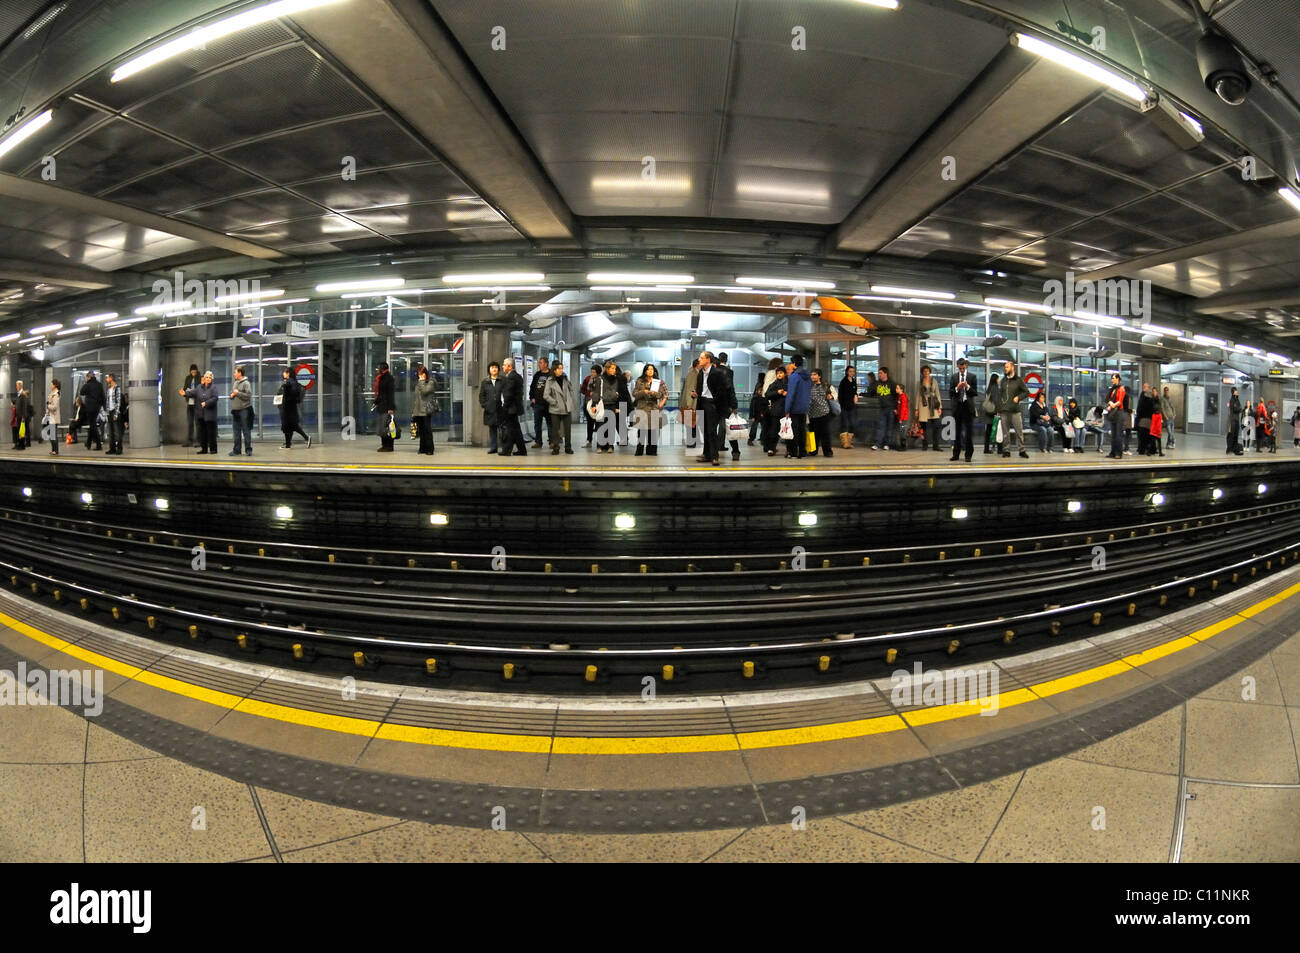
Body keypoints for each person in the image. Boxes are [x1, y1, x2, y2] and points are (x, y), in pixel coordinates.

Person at [692, 350, 727, 465]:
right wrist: (695, 394)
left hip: (713, 404)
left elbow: (723, 391)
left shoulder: (717, 373)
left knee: (711, 431)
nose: (699, 359)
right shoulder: (700, 374)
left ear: (708, 359)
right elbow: (700, 390)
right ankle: (706, 455)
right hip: (702, 403)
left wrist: (718, 404)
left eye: (701, 358)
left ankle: (714, 456)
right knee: (705, 431)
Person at [178, 370, 218, 454]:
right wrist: (185, 393)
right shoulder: (199, 387)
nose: (208, 379)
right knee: (202, 433)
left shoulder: (213, 388)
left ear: (212, 379)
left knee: (211, 433)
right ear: (204, 378)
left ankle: (213, 449)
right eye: (207, 377)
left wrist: (206, 403)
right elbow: (192, 393)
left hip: (210, 414)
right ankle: (204, 449)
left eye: (210, 378)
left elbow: (215, 398)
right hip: (201, 414)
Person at [631, 363, 668, 456]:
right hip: (642, 407)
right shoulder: (639, 381)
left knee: (653, 430)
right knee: (641, 430)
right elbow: (634, 393)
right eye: (648, 369)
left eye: (652, 369)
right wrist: (643, 392)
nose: (650, 371)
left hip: (653, 407)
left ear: (654, 371)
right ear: (645, 371)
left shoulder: (658, 382)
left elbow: (661, 395)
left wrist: (653, 393)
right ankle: (639, 450)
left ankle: (652, 450)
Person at [996, 361, 1030, 459]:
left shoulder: (1018, 380)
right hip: (1004, 410)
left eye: (1007, 367)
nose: (1005, 369)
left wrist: (1018, 397)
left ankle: (1022, 450)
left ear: (1012, 368)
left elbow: (1026, 392)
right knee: (1005, 432)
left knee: (1019, 431)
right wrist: (998, 409)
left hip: (1015, 411)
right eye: (1005, 367)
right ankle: (1006, 450)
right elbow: (1000, 395)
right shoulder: (1003, 380)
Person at [543, 361, 576, 455]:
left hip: (566, 408)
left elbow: (571, 390)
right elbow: (546, 395)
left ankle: (568, 447)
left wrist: (570, 400)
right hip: (555, 409)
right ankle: (556, 448)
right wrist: (554, 402)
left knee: (568, 429)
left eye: (562, 368)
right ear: (554, 370)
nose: (561, 370)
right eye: (559, 368)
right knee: (555, 430)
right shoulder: (550, 381)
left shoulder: (565, 379)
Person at [948, 358, 977, 462]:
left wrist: (967, 386)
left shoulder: (972, 377)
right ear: (957, 366)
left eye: (963, 368)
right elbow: (950, 393)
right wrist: (957, 387)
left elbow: (975, 393)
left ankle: (968, 455)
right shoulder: (954, 377)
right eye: (960, 368)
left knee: (969, 432)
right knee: (957, 432)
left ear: (966, 366)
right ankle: (956, 454)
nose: (962, 370)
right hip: (958, 407)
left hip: (968, 407)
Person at [714, 352, 741, 461]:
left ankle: (716, 452)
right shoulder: (728, 371)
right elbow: (731, 389)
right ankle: (735, 451)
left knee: (715, 429)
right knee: (727, 428)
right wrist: (734, 405)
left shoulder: (715, 371)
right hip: (724, 404)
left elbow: (729, 389)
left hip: (715, 404)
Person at [784, 355, 812, 459]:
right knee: (802, 430)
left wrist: (787, 409)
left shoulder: (794, 376)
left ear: (794, 363)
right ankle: (803, 451)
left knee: (794, 430)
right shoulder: (807, 376)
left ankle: (794, 452)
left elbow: (791, 394)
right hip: (804, 407)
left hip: (795, 407)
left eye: (791, 363)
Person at [499, 357, 528, 456]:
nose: (502, 366)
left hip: (511, 408)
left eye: (504, 365)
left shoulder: (511, 377)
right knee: (516, 429)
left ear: (510, 366)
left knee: (510, 429)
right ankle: (522, 449)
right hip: (515, 407)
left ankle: (507, 450)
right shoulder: (517, 376)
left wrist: (504, 408)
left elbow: (508, 394)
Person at [276, 368, 311, 449]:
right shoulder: (292, 382)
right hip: (290, 407)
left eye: (284, 372)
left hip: (287, 408)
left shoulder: (289, 383)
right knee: (291, 425)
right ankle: (288, 444)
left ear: (288, 373)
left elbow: (290, 395)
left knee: (288, 425)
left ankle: (305, 438)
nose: (283, 373)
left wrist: (284, 393)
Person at [411, 364, 439, 455]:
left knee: (427, 430)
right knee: (421, 430)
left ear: (425, 373)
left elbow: (425, 391)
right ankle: (422, 448)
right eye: (418, 374)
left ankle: (430, 449)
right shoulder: (418, 383)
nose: (420, 376)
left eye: (421, 373)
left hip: (426, 409)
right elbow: (416, 398)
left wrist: (422, 382)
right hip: (418, 410)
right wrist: (413, 411)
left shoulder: (430, 382)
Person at [869, 367, 898, 451]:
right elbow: (871, 393)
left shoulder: (892, 384)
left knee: (890, 427)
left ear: (886, 374)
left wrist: (895, 407)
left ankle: (887, 444)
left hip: (891, 408)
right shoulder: (877, 384)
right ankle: (877, 444)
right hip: (882, 408)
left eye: (881, 373)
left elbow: (897, 396)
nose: (879, 375)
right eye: (879, 373)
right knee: (880, 426)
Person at [915, 365, 943, 451]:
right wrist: (916, 409)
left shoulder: (934, 381)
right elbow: (918, 395)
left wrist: (939, 407)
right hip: (923, 405)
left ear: (930, 372)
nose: (926, 372)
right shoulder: (920, 382)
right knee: (923, 427)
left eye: (927, 371)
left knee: (936, 426)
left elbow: (937, 394)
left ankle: (936, 445)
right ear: (922, 373)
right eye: (924, 371)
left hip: (933, 404)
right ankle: (925, 445)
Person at [807, 368, 834, 458]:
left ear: (819, 376)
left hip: (823, 413)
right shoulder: (809, 386)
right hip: (812, 414)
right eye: (811, 375)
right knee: (813, 433)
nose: (812, 376)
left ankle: (827, 452)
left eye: (814, 374)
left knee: (825, 434)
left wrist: (831, 397)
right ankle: (813, 451)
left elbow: (833, 396)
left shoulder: (826, 385)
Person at [479, 361, 504, 453]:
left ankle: (505, 447)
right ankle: (493, 447)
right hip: (490, 409)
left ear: (498, 369)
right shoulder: (485, 382)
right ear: (489, 370)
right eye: (492, 367)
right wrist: (485, 405)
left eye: (496, 367)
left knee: (503, 429)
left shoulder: (502, 380)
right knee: (492, 429)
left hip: (501, 408)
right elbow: (482, 395)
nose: (494, 369)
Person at [763, 367, 788, 457]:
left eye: (781, 373)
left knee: (787, 431)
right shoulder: (774, 384)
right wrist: (777, 392)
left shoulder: (788, 384)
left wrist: (787, 394)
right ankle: (771, 448)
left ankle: (789, 450)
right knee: (774, 431)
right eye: (777, 373)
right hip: (776, 411)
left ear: (785, 374)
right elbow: (767, 395)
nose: (779, 375)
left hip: (786, 411)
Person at [227, 367, 252, 457]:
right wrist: (231, 395)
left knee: (246, 431)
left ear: (240, 373)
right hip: (235, 411)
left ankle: (248, 450)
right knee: (236, 432)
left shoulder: (246, 383)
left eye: (235, 372)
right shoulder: (235, 383)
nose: (234, 374)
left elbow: (248, 396)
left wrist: (238, 393)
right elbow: (232, 394)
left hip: (244, 410)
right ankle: (237, 450)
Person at [373, 361, 396, 453]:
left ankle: (389, 446)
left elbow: (390, 394)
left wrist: (391, 408)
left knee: (388, 426)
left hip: (387, 406)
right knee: (383, 427)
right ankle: (384, 445)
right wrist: (376, 402)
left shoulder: (388, 378)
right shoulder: (381, 378)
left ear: (382, 368)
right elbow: (380, 393)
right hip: (381, 405)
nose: (377, 369)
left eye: (378, 368)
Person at [529, 357, 551, 448]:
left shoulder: (551, 374)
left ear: (546, 364)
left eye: (541, 363)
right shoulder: (537, 374)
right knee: (537, 424)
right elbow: (532, 387)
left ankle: (552, 442)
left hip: (548, 404)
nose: (539, 364)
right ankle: (538, 442)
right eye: (539, 363)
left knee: (550, 423)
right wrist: (532, 397)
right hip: (537, 403)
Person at [80, 370, 105, 451]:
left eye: (86, 377)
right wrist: (103, 407)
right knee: (92, 425)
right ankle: (88, 443)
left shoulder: (88, 385)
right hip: (97, 408)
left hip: (90, 407)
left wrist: (86, 383)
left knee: (93, 426)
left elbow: (81, 392)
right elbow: (103, 396)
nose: (86, 379)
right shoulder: (99, 384)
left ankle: (98, 444)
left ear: (89, 377)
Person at [1104, 373, 1127, 459]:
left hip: (1119, 412)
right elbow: (1108, 399)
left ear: (1118, 379)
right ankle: (1113, 452)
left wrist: (1113, 405)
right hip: (1113, 412)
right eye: (1112, 378)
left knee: (1118, 434)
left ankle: (1118, 453)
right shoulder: (1112, 389)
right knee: (1113, 434)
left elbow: (1120, 401)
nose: (1112, 380)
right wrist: (1110, 404)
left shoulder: (1121, 388)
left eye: (1113, 378)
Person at [679, 358, 700, 450]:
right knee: (691, 424)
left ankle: (691, 442)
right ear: (697, 365)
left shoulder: (694, 373)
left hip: (690, 402)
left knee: (691, 424)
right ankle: (691, 442)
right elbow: (690, 390)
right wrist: (689, 404)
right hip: (691, 403)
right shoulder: (693, 374)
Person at [580, 364, 601, 448]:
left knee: (599, 423)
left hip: (598, 405)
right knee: (590, 423)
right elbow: (582, 389)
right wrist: (588, 393)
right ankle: (589, 440)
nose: (592, 373)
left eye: (594, 372)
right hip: (588, 403)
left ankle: (601, 443)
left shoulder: (601, 380)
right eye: (591, 372)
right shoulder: (587, 379)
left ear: (598, 373)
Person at [838, 365, 859, 449]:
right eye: (850, 371)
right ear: (847, 372)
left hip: (852, 406)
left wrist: (856, 395)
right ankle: (844, 442)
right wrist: (841, 404)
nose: (852, 373)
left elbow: (855, 391)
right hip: (844, 406)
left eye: (853, 371)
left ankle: (849, 441)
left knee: (852, 423)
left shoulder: (853, 381)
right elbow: (840, 394)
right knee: (844, 423)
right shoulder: (843, 381)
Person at [104, 372, 126, 455]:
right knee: (111, 431)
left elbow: (118, 401)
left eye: (107, 377)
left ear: (111, 378)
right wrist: (106, 412)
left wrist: (116, 413)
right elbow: (107, 401)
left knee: (117, 431)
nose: (107, 379)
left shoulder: (117, 388)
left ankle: (119, 448)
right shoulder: (108, 389)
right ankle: (112, 448)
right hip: (109, 412)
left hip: (115, 411)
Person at [182, 364, 201, 447]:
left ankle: (198, 440)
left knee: (197, 423)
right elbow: (185, 388)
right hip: (189, 403)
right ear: (190, 371)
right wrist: (184, 392)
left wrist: (192, 392)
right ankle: (189, 440)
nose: (193, 373)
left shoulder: (200, 377)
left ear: (197, 371)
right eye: (192, 372)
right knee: (190, 422)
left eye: (195, 372)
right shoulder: (188, 378)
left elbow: (200, 389)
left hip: (197, 403)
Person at [1134, 383, 1156, 456]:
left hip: (1143, 420)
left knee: (1142, 436)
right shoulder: (1152, 400)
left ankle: (1142, 450)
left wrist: (1138, 418)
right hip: (1149, 420)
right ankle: (1149, 449)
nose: (1145, 388)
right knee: (1148, 436)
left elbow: (1139, 409)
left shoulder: (1142, 398)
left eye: (1145, 387)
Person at [982, 372, 1000, 455]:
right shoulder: (995, 388)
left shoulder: (989, 388)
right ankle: (999, 449)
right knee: (997, 430)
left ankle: (986, 448)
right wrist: (998, 411)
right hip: (993, 412)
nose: (999, 380)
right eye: (998, 378)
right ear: (995, 379)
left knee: (988, 431)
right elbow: (996, 400)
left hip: (988, 412)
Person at [748, 377, 767, 447]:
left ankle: (762, 439)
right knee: (754, 428)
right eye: (760, 390)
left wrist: (764, 413)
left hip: (762, 415)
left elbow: (765, 406)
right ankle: (751, 439)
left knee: (763, 428)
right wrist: (752, 416)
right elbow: (752, 408)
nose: (761, 391)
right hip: (756, 415)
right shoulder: (755, 398)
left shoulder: (763, 398)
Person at [13, 380, 32, 450]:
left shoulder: (23, 394)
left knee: (22, 431)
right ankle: (20, 444)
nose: (16, 387)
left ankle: (22, 445)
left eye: (17, 385)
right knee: (19, 430)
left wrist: (23, 416)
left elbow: (24, 406)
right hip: (18, 416)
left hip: (22, 416)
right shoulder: (19, 394)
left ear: (20, 386)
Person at [44, 379, 61, 457]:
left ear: (55, 385)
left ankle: (55, 450)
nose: (51, 385)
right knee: (51, 434)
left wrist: (48, 405)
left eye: (51, 384)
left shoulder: (56, 394)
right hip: (50, 417)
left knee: (53, 434)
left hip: (54, 417)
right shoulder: (52, 393)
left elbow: (54, 407)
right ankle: (53, 450)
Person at [894, 381, 911, 450]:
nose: (896, 389)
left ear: (901, 389)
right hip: (901, 417)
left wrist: (901, 419)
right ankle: (902, 445)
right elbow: (900, 408)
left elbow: (903, 409)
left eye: (897, 388)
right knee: (901, 431)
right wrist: (897, 411)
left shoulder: (903, 397)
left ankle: (903, 446)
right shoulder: (899, 396)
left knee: (902, 431)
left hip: (903, 418)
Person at [1227, 387, 1243, 455]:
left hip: (1236, 419)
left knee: (1236, 435)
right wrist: (1239, 408)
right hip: (1232, 420)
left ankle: (1234, 449)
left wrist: (1239, 408)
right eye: (1236, 391)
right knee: (1231, 435)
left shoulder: (1237, 399)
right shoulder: (1232, 400)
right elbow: (1236, 409)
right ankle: (1229, 449)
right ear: (1233, 392)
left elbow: (1239, 407)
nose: (1237, 391)